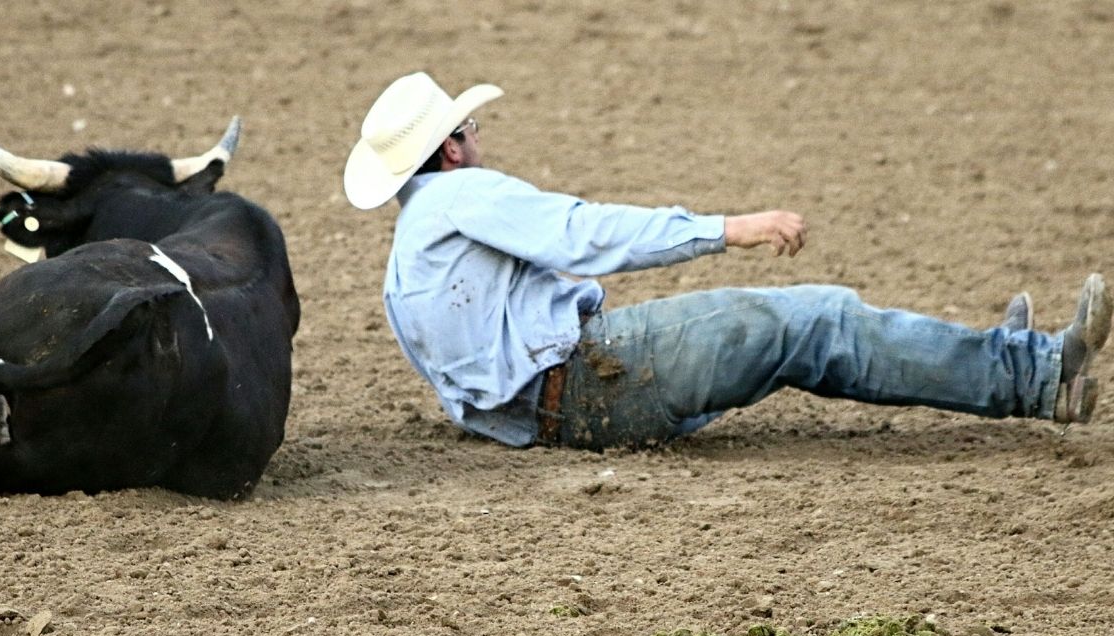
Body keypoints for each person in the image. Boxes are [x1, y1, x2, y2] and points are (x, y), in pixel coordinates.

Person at [343, 71, 1112, 450]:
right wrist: (729, 227)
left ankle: (988, 360)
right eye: (468, 129)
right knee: (815, 323)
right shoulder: (464, 194)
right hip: (586, 379)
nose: (478, 139)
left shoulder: (407, 256)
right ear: (450, 148)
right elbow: (580, 231)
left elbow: (463, 393)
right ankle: (1036, 374)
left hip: (544, 413)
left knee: (796, 341)